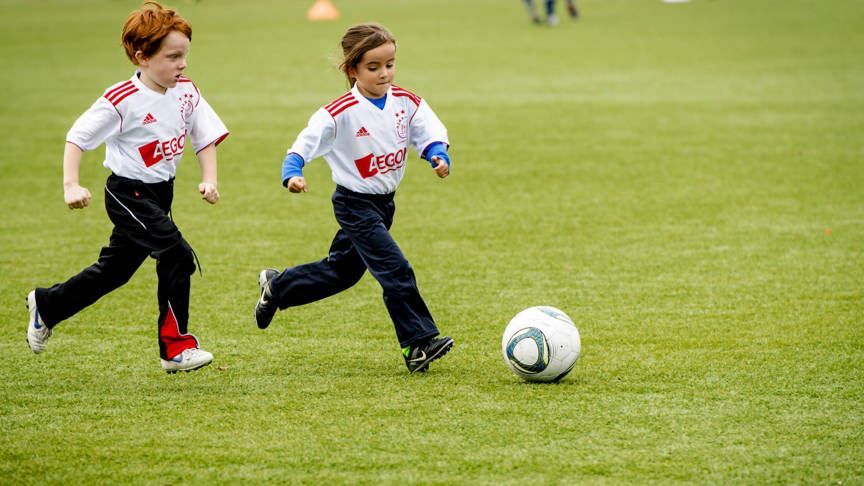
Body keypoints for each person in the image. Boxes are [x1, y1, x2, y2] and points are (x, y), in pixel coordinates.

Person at [25, 1, 229, 374]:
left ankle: (47, 304)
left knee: (114, 272)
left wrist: (209, 179)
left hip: (159, 195)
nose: (182, 64)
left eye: (184, 55)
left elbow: (206, 137)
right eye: (172, 57)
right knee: (177, 254)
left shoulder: (186, 92)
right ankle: (175, 348)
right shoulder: (122, 101)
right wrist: (71, 184)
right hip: (127, 193)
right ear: (142, 57)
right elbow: (77, 137)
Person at [256, 23, 454, 373]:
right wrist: (293, 172)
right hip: (354, 205)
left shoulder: (405, 103)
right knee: (395, 269)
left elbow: (429, 133)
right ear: (352, 70)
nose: (384, 73)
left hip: (383, 204)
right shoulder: (339, 112)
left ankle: (278, 287)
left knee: (341, 274)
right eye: (373, 67)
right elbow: (302, 145)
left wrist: (438, 155)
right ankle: (417, 345)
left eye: (390, 64)